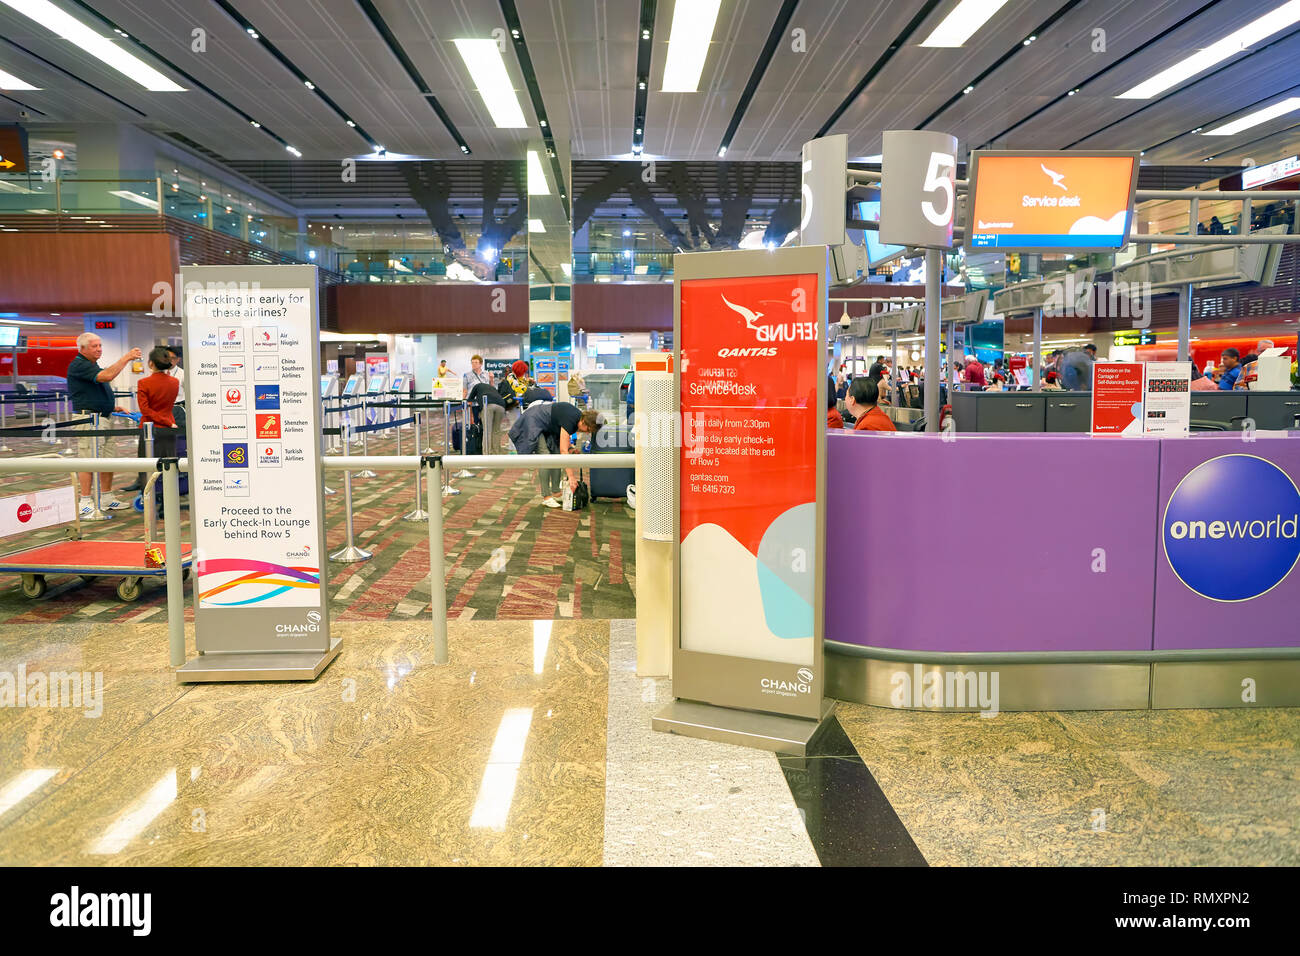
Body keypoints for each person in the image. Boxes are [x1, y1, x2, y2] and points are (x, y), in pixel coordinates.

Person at [66, 332, 141, 514]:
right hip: (89, 420)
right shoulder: (79, 365)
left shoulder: (92, 365)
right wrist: (126, 358)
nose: (99, 349)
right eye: (94, 346)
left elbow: (91, 392)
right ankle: (85, 500)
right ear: (82, 348)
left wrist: (113, 407)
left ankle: (106, 497)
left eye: (100, 346)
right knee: (87, 461)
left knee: (108, 460)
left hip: (103, 417)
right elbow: (106, 376)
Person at [508, 401, 602, 507]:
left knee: (556, 455)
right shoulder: (571, 419)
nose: (587, 432)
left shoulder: (576, 419)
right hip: (533, 421)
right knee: (546, 457)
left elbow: (563, 441)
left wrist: (570, 448)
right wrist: (571, 477)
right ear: (583, 422)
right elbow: (563, 450)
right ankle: (546, 496)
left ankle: (556, 492)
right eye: (588, 429)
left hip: (546, 426)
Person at [132, 347, 180, 494]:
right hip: (169, 428)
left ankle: (149, 500)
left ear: (150, 363)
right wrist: (168, 422)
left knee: (147, 467)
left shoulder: (143, 382)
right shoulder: (174, 381)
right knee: (169, 467)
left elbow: (145, 410)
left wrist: (165, 421)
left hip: (149, 429)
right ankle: (168, 501)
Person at [164, 346, 186, 430]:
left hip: (178, 411)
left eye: (173, 358)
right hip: (162, 412)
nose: (170, 360)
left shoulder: (183, 374)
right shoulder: (159, 372)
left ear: (178, 359)